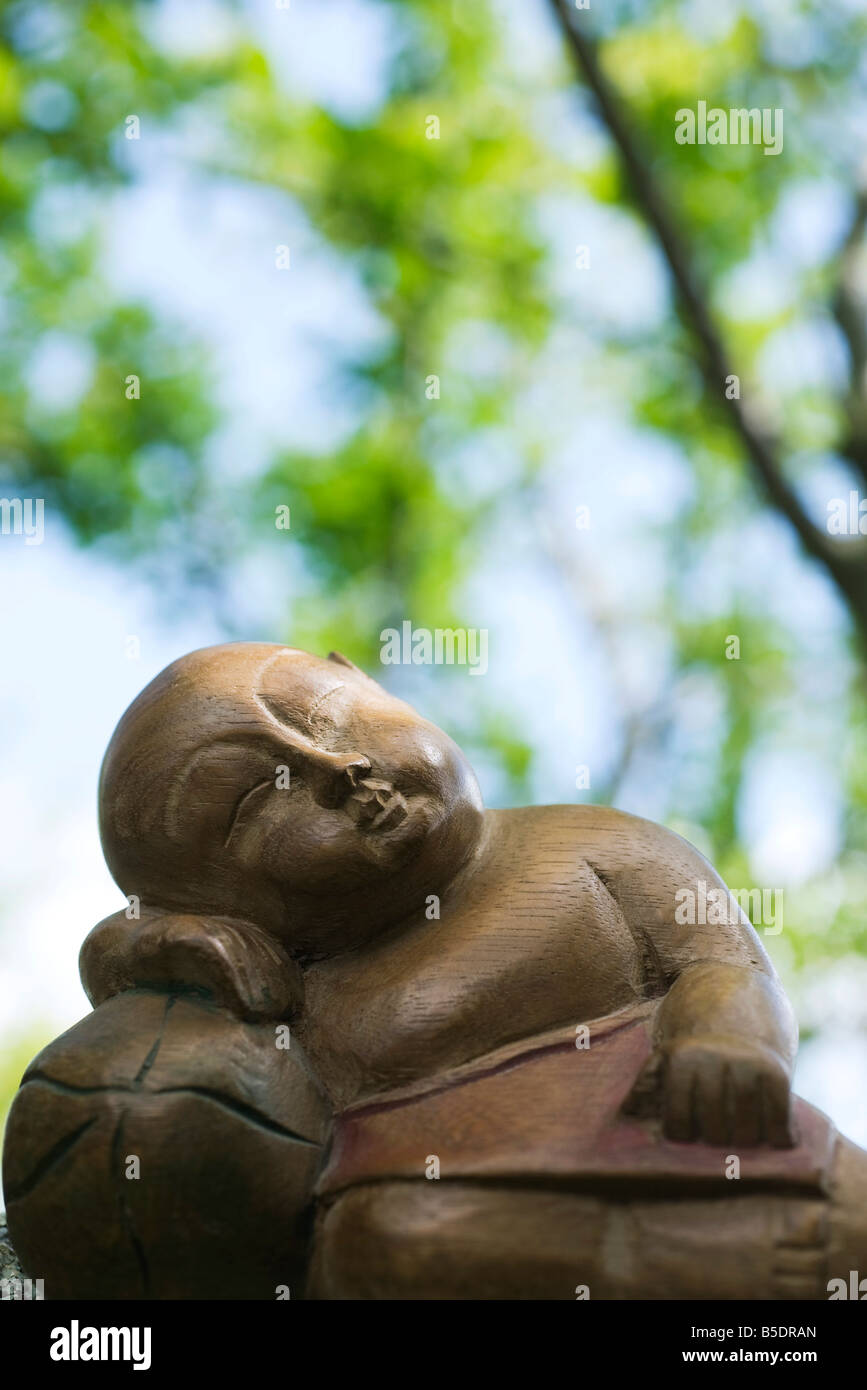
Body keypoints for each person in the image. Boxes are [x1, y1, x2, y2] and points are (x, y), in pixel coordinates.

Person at [5, 643, 866, 1299]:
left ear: (366, 678)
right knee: (388, 1239)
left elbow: (719, 961)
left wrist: (724, 1033)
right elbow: (157, 1089)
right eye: (256, 800)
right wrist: (144, 953)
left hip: (701, 1152)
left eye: (321, 715)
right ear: (209, 904)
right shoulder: (281, 990)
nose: (336, 770)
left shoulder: (592, 842)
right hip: (455, 1222)